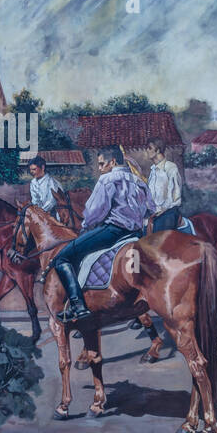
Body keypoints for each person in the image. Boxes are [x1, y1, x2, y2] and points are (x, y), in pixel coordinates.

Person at [49, 146, 152, 323]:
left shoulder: (107, 180)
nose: (100, 168)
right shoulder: (139, 181)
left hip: (113, 232)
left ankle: (78, 306)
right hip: (136, 233)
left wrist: (85, 227)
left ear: (113, 162)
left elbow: (94, 212)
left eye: (102, 163)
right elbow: (151, 208)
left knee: (61, 259)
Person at [145, 137, 183, 232]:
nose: (146, 150)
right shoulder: (153, 170)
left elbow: (173, 196)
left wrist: (160, 209)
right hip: (154, 213)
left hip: (168, 213)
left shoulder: (171, 168)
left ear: (157, 150)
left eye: (149, 148)